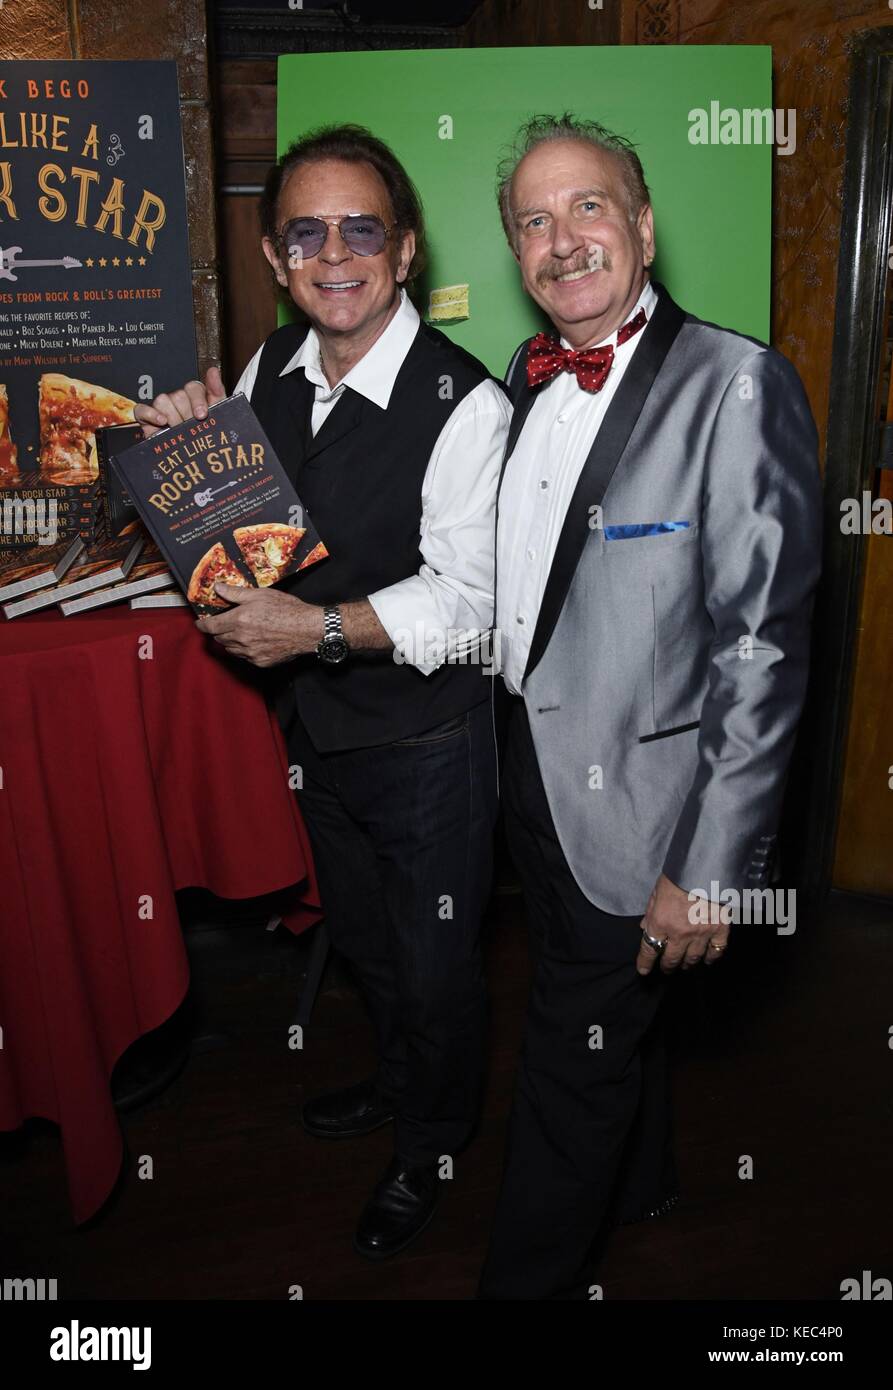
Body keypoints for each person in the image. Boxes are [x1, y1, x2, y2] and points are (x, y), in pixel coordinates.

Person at [136, 124, 510, 1260]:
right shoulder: (265, 374)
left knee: (439, 962)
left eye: (362, 230)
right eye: (307, 230)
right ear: (271, 252)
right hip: (316, 734)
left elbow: (468, 606)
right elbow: (245, 541)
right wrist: (185, 461)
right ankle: (398, 1085)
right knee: (365, 937)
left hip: (430, 739)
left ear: (401, 251)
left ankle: (431, 1143)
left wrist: (316, 628)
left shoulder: (468, 405)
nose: (333, 253)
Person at [478, 113, 822, 1299]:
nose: (561, 238)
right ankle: (646, 1181)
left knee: (563, 1061)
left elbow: (762, 648)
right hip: (527, 766)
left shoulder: (735, 383)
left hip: (646, 803)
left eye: (587, 206)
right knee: (613, 1011)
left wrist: (712, 866)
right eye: (533, 218)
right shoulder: (520, 388)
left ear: (641, 224)